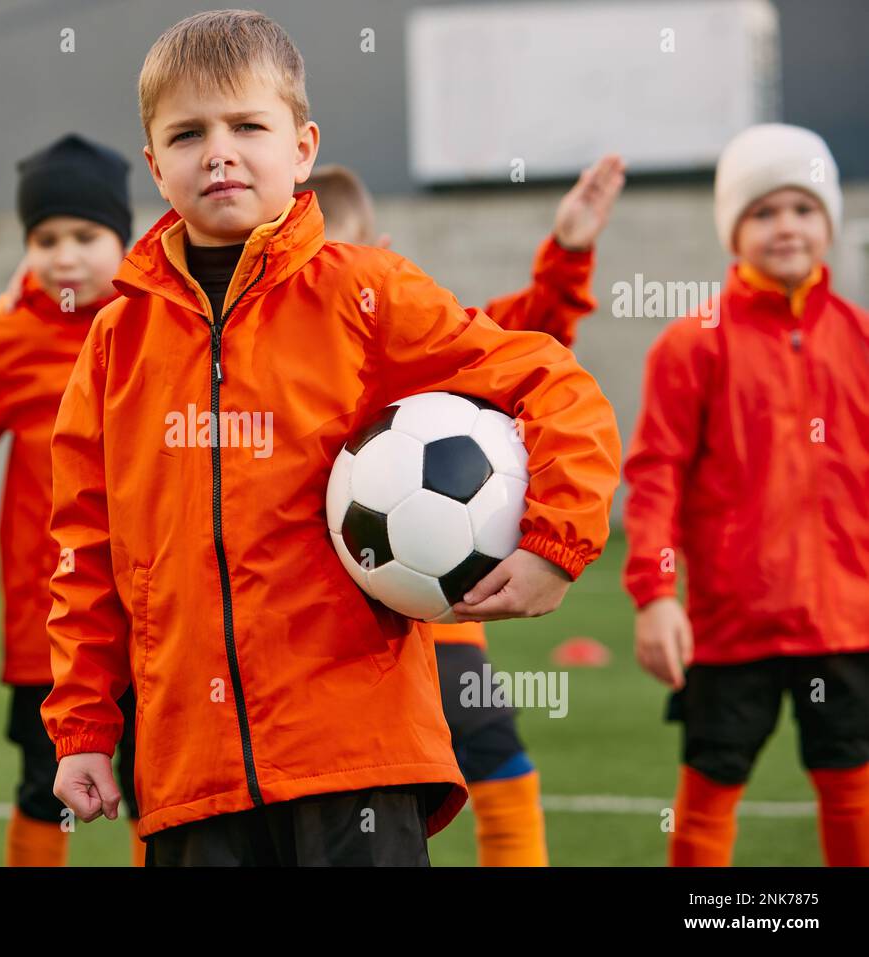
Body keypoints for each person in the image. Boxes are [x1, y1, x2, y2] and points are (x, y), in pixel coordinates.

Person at [45, 9, 622, 866]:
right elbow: (85, 550)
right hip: (187, 775)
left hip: (356, 757)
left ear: (303, 147)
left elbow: (549, 378)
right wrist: (85, 726)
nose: (219, 151)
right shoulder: (114, 343)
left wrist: (555, 541)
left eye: (248, 125)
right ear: (155, 164)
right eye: (189, 132)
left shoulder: (367, 295)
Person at [306, 154, 626, 866]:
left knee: (501, 765)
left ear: (378, 258)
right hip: (333, 654)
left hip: (443, 633)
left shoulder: (409, 354)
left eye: (340, 258)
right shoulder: (275, 368)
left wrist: (568, 255)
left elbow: (520, 343)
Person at [624, 123, 869, 866]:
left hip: (847, 625)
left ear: (828, 222)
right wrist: (656, 592)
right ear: (733, 229)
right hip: (732, 626)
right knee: (709, 791)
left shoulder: (860, 339)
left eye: (802, 207)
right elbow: (654, 472)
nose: (786, 226)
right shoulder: (692, 343)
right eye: (763, 212)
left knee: (852, 789)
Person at [0, 133, 147, 866]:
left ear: (122, 239)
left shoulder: (155, 321)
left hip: (155, 615)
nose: (64, 254)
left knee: (160, 788)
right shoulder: (9, 337)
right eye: (45, 237)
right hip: (52, 623)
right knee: (46, 786)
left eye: (85, 235)